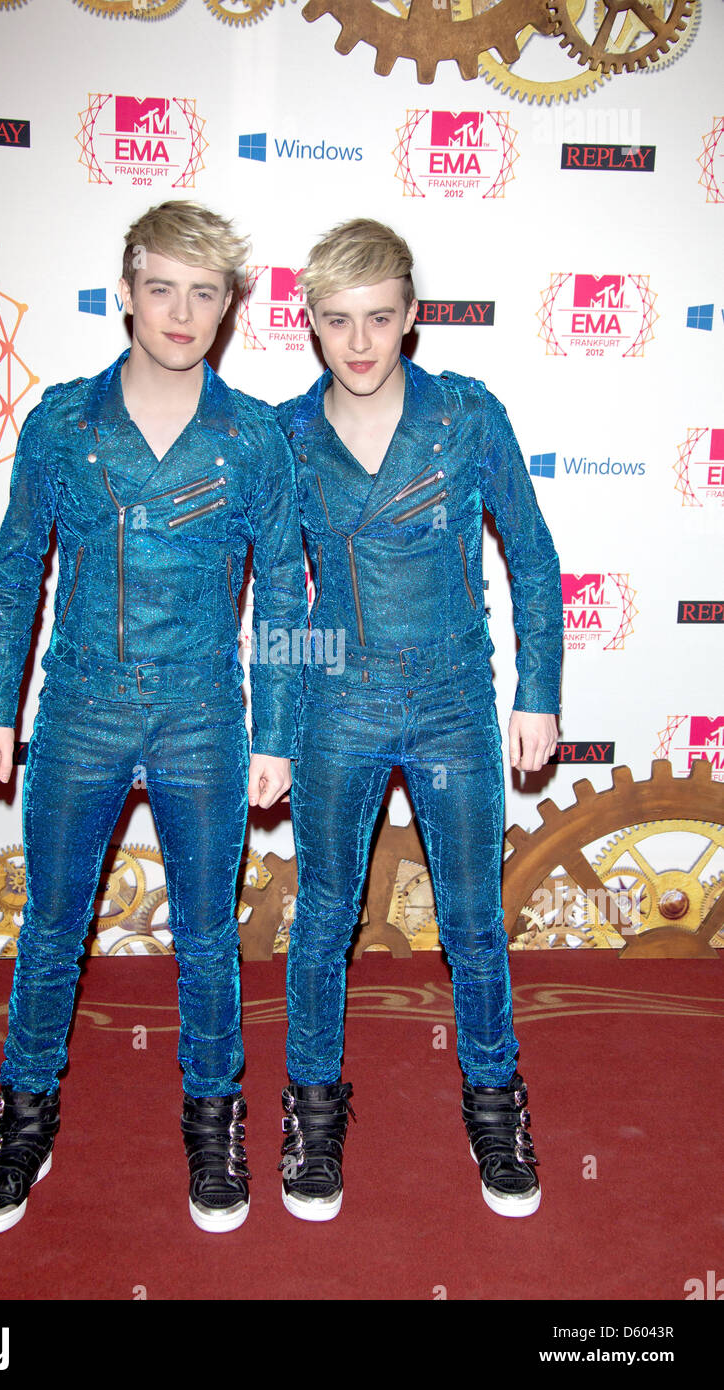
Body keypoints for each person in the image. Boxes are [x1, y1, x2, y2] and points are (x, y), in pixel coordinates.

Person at [0, 200, 307, 1236]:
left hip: (204, 711)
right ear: (124, 291)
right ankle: (22, 1123)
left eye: (205, 292)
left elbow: (285, 596)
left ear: (230, 307)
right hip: (78, 707)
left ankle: (213, 1126)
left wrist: (278, 729)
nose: (180, 310)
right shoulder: (62, 422)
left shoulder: (252, 438)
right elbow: (16, 569)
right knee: (53, 927)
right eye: (161, 286)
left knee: (206, 937)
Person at [275, 219, 562, 1221]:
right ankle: (311, 1110)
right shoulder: (283, 433)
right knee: (321, 918)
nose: (359, 341)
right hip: (336, 703)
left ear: (412, 317)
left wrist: (538, 689)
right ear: (309, 322)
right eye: (337, 319)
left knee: (474, 923)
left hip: (450, 703)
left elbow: (529, 555)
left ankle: (493, 1101)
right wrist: (278, 719)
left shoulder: (467, 417)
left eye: (380, 318)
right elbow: (276, 597)